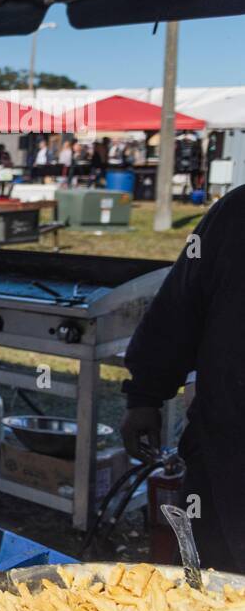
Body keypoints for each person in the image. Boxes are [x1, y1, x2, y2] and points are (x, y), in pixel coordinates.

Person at [120, 186, 245, 573]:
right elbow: (180, 308)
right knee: (208, 589)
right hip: (226, 455)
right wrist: (144, 395)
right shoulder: (237, 213)